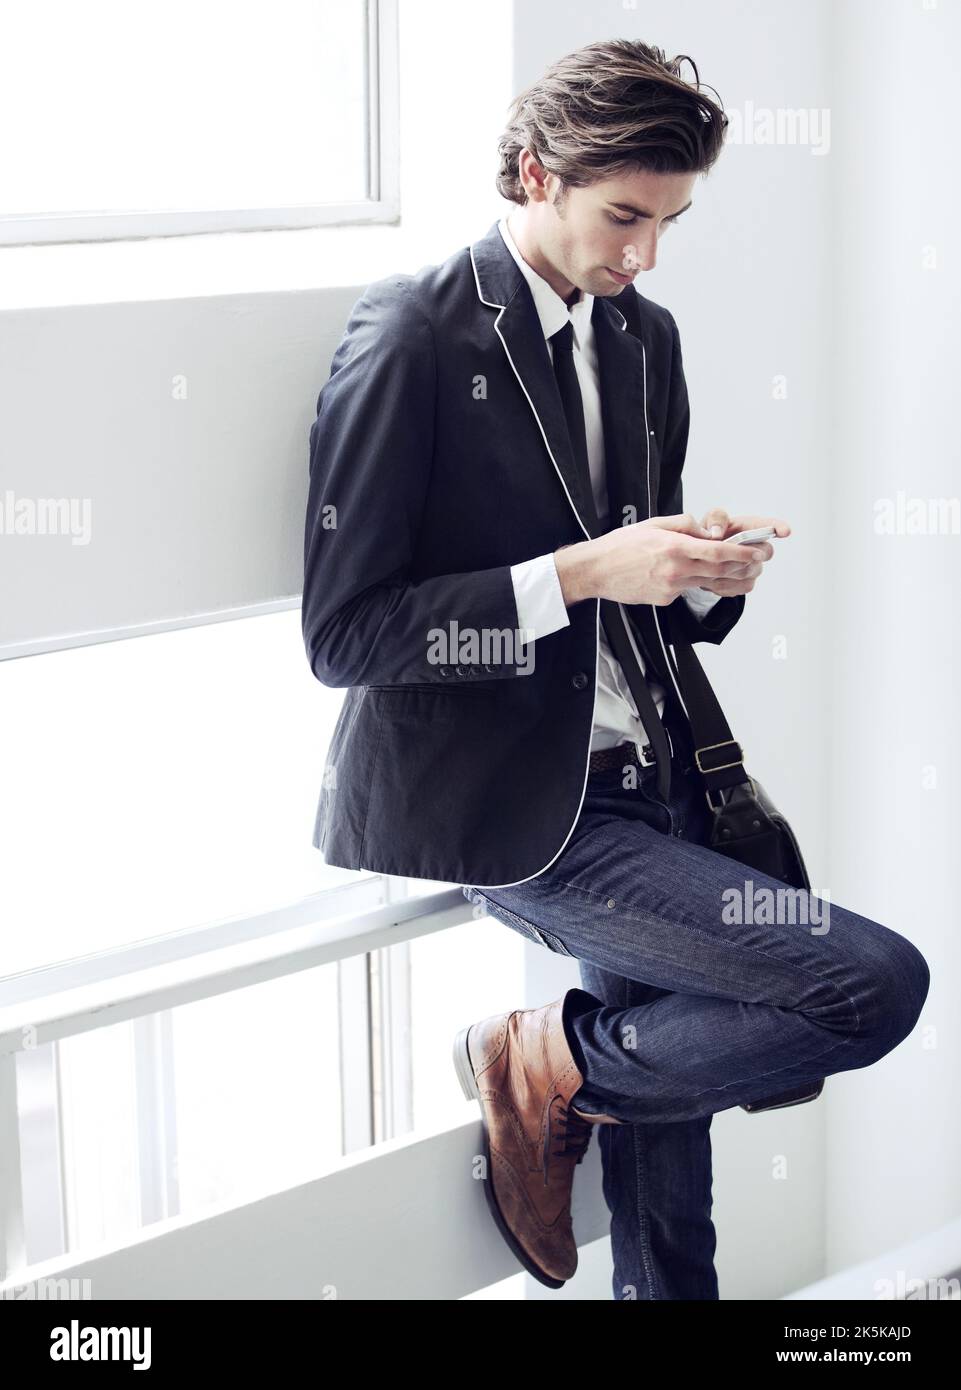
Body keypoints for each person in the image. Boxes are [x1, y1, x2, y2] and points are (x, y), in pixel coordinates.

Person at [302, 39, 930, 1299]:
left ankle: (577, 1072)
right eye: (623, 217)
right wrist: (588, 571)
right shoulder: (414, 332)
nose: (644, 254)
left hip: (657, 769)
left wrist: (696, 576)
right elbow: (348, 633)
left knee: (674, 1191)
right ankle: (547, 1059)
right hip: (514, 813)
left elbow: (631, 583)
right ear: (535, 173)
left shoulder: (642, 339)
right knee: (868, 986)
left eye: (670, 221)